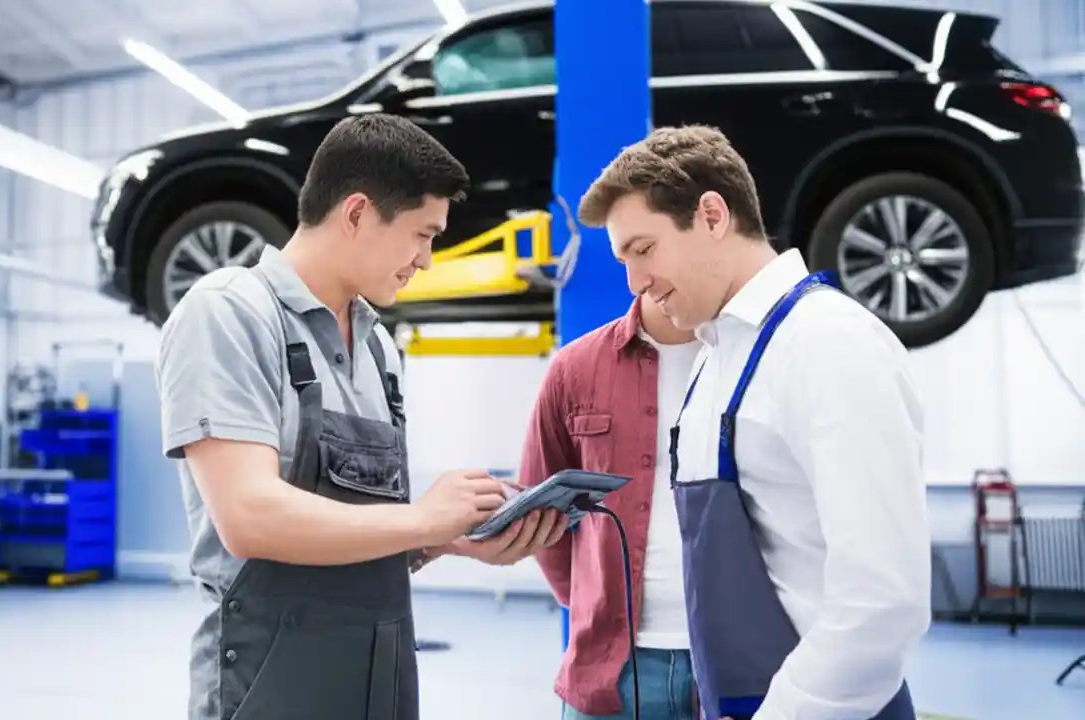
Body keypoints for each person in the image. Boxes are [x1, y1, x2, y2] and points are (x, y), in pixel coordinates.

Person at [155, 113, 567, 720]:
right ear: (356, 213)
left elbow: (362, 531)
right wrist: (422, 518)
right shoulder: (228, 314)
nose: (427, 260)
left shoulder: (379, 348)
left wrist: (450, 538)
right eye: (422, 234)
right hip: (271, 686)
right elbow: (250, 518)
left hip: (381, 679)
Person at [576, 125, 931, 720]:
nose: (635, 283)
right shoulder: (718, 357)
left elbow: (881, 601)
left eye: (643, 250)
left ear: (712, 215)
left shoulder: (828, 345)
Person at [520, 293, 701, 720]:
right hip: (608, 671)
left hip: (735, 666)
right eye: (626, 256)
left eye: (647, 248)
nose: (637, 277)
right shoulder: (576, 368)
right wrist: (592, 600)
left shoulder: (753, 362)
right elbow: (540, 507)